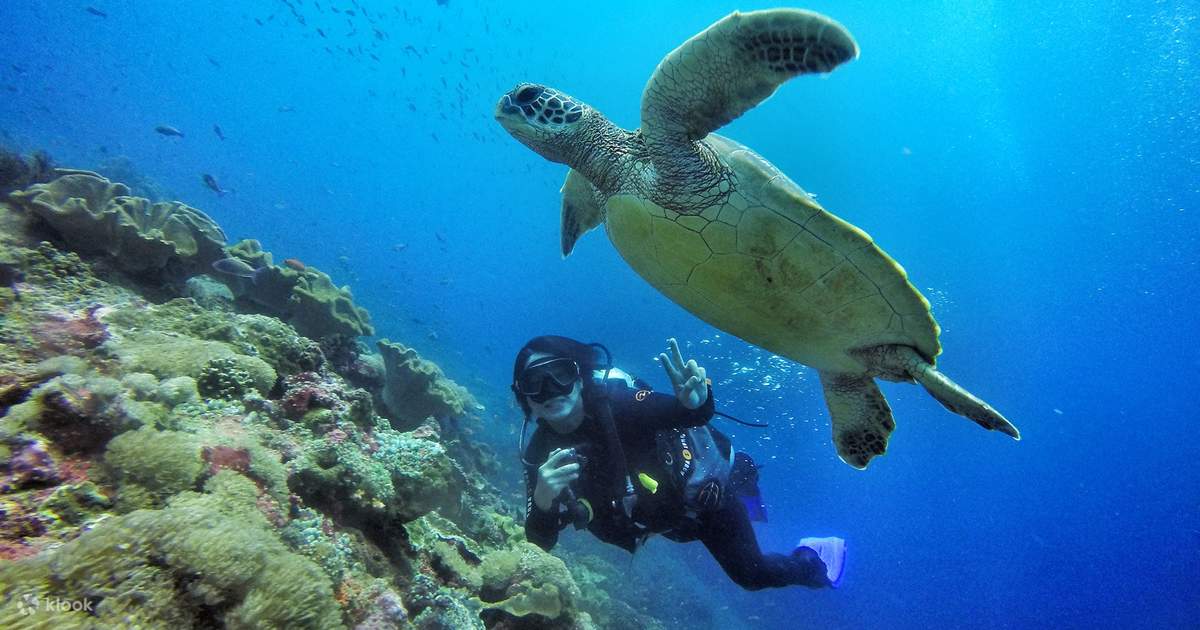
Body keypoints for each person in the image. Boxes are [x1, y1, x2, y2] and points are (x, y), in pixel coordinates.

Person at [511, 335, 846, 590]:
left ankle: (814, 560)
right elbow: (539, 541)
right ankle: (742, 477)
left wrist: (694, 401)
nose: (550, 390)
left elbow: (682, 412)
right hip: (663, 519)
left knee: (752, 575)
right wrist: (541, 498)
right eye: (534, 384)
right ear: (524, 398)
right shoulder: (538, 454)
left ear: (581, 378)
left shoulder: (620, 405)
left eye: (559, 375)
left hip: (707, 505)